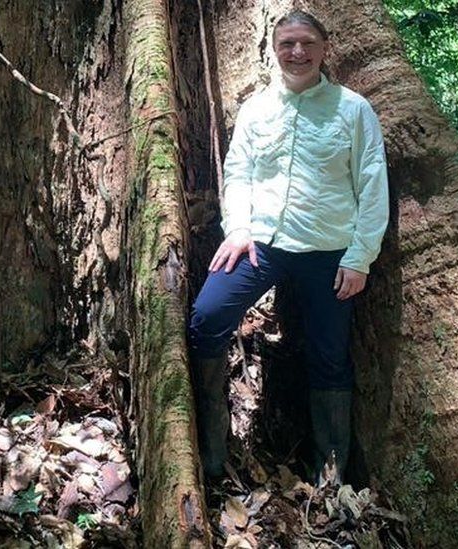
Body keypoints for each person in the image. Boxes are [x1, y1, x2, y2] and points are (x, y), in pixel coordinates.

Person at [188, 10, 389, 483]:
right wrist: (238, 227)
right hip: (261, 244)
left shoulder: (353, 109)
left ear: (324, 48)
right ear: (274, 51)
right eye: (287, 44)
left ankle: (330, 473)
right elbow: (238, 171)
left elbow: (372, 183)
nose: (297, 53)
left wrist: (360, 257)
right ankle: (211, 448)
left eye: (307, 43)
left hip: (329, 252)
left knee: (329, 354)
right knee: (207, 317)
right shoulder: (256, 109)